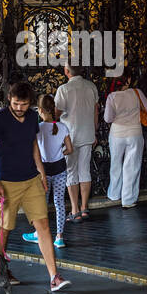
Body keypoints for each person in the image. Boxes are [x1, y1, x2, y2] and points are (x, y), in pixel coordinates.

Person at [0, 80, 71, 291]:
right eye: (15, 104)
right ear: (9, 100)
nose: (19, 109)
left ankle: (54, 277)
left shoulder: (33, 117)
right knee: (4, 229)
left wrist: (41, 172)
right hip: (7, 182)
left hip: (31, 179)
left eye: (23, 104)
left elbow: (33, 144)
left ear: (30, 103)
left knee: (43, 226)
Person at [22, 95, 73, 249]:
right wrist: (59, 153)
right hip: (60, 169)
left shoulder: (38, 128)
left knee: (41, 204)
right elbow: (70, 149)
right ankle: (59, 237)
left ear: (41, 110)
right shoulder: (63, 127)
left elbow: (33, 150)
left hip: (43, 171)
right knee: (59, 203)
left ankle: (39, 234)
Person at [54, 64, 98, 221]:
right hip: (87, 133)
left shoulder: (63, 90)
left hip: (69, 136)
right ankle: (85, 208)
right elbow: (95, 111)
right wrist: (95, 131)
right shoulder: (91, 86)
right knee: (85, 170)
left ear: (66, 71)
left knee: (71, 171)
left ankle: (74, 210)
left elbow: (56, 112)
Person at [103, 72, 147, 208]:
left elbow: (108, 119)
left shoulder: (112, 97)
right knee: (132, 166)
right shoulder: (136, 92)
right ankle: (128, 200)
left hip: (117, 134)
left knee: (115, 163)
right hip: (134, 132)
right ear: (128, 80)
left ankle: (114, 194)